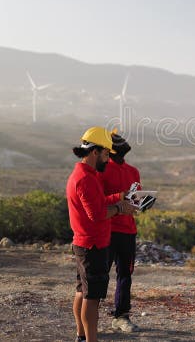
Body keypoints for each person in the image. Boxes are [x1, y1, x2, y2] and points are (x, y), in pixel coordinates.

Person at [66, 127, 136, 342]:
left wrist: (119, 197)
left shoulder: (85, 175)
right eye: (106, 154)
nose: (108, 159)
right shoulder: (86, 179)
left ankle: (81, 336)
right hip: (92, 245)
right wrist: (120, 209)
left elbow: (98, 202)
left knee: (82, 291)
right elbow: (97, 214)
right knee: (92, 298)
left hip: (84, 243)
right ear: (95, 151)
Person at [100, 132, 142, 332]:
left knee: (125, 274)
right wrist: (119, 199)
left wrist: (142, 203)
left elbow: (135, 200)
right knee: (100, 275)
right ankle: (90, 318)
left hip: (128, 230)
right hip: (107, 229)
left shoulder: (133, 171)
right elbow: (97, 200)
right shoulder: (102, 170)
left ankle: (121, 316)